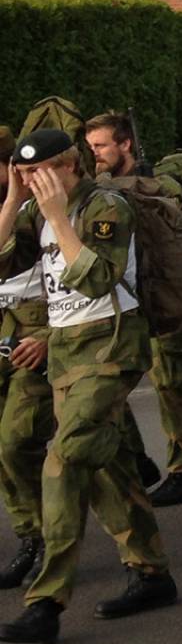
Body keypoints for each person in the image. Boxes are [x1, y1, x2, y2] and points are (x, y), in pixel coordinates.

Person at [0, 128, 179, 644]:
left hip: (110, 344)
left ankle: (46, 602)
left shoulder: (105, 207)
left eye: (40, 172)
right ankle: (151, 573)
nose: (34, 182)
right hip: (66, 351)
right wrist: (13, 202)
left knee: (65, 460)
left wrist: (58, 218)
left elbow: (98, 279)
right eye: (24, 174)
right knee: (107, 467)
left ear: (70, 165)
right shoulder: (33, 210)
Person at [83, 113, 182, 507]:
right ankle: (138, 460)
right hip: (122, 304)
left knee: (171, 386)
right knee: (107, 386)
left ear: (125, 144)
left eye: (101, 145)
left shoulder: (162, 187)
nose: (95, 154)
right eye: (91, 147)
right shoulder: (96, 191)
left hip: (165, 297)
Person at [0, 126, 54, 591]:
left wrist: (50, 337)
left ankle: (50, 541)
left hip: (38, 327)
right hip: (4, 327)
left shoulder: (43, 208)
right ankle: (30, 536)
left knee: (18, 441)